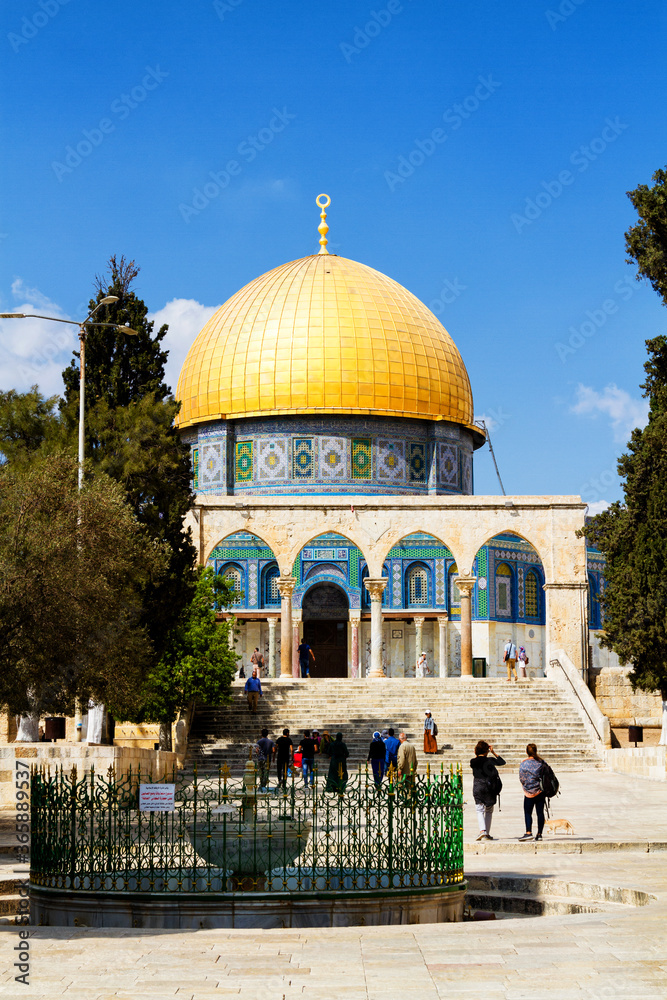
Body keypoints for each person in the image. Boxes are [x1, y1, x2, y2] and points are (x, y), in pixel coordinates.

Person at [470, 739, 506, 841]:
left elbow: (477, 760)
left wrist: (477, 753)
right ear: (487, 751)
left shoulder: (473, 761)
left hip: (478, 786)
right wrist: (493, 752)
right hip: (489, 787)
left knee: (479, 809)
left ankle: (482, 831)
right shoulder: (490, 760)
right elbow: (502, 762)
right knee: (489, 810)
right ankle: (486, 833)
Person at [519, 743, 547, 841]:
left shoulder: (524, 764)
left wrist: (526, 786)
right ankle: (539, 834)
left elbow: (521, 778)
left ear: (526, 752)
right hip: (540, 791)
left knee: (528, 812)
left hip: (528, 792)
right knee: (540, 813)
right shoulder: (541, 762)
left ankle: (528, 832)